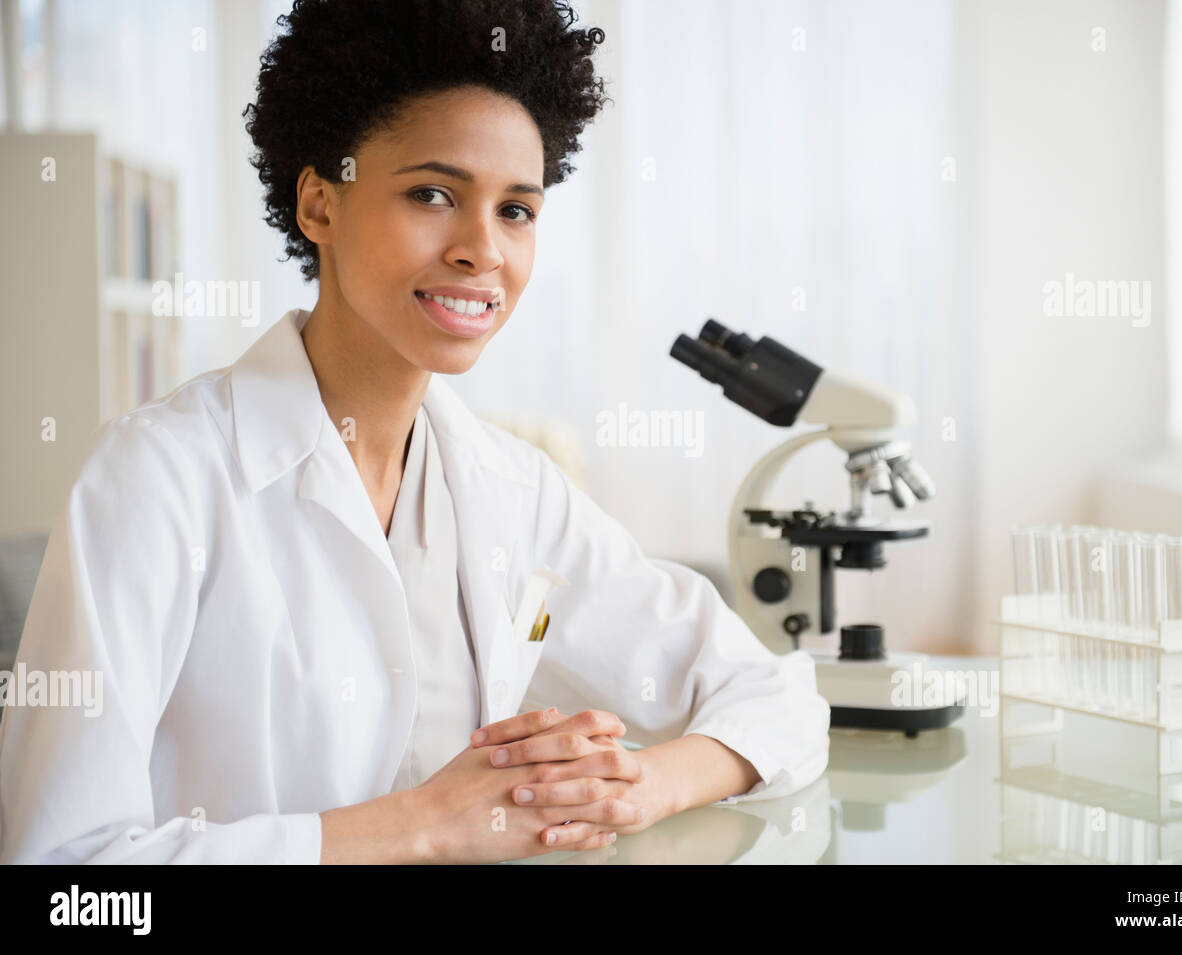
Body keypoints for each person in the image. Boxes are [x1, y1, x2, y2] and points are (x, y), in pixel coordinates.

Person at [0, 0, 829, 864]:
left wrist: (639, 785)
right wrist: (420, 826)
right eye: (433, 194)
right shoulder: (159, 477)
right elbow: (68, 876)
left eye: (517, 210)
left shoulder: (512, 486)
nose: (484, 250)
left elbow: (778, 699)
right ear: (318, 205)